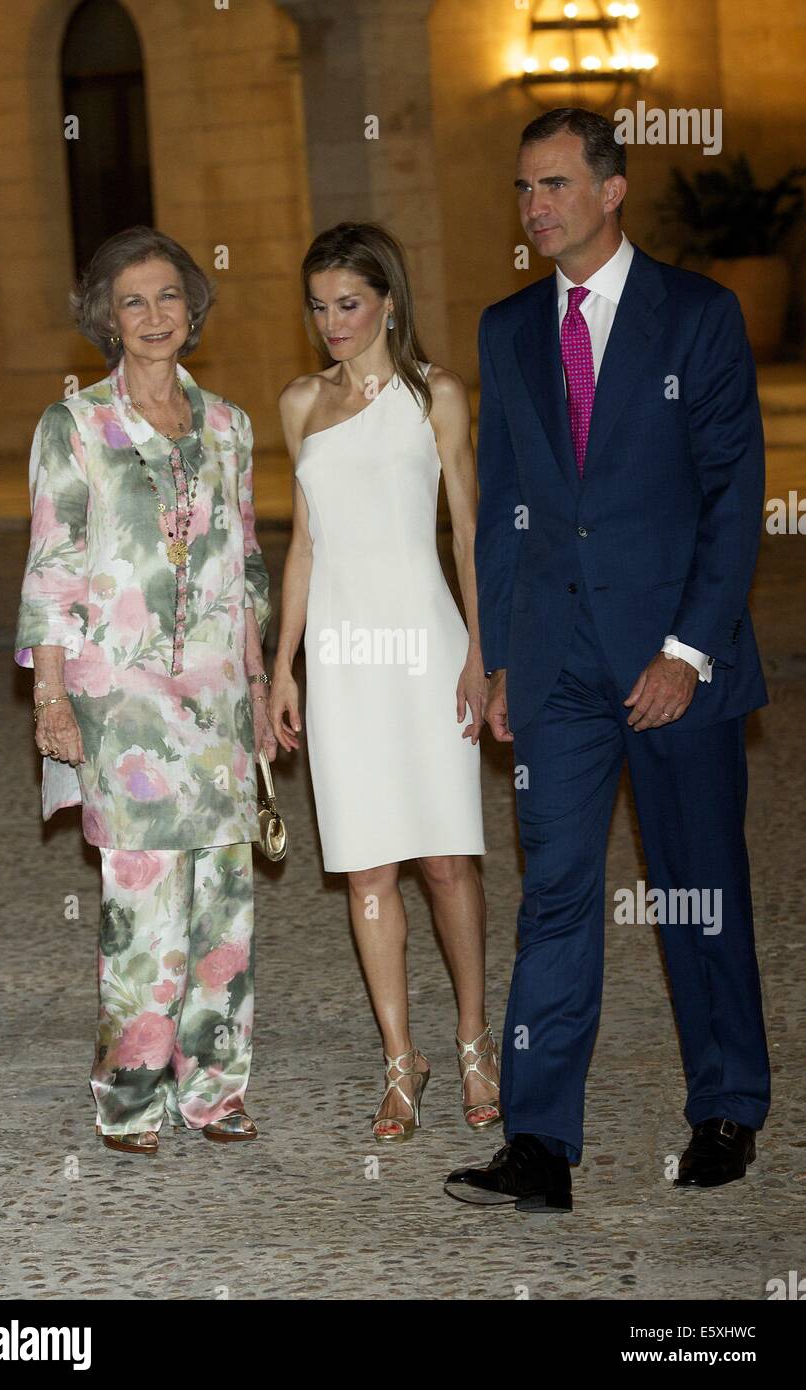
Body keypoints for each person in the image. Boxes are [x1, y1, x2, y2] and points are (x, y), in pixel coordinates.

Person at [445, 108, 770, 1213]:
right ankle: (538, 1144)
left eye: (553, 185)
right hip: (555, 668)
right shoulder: (506, 328)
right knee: (556, 896)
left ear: (611, 189)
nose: (534, 207)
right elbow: (501, 512)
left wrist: (686, 648)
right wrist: (491, 657)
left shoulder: (697, 315)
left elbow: (734, 501)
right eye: (523, 189)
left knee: (693, 892)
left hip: (673, 661)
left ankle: (724, 1105)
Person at [15, 226, 276, 1155]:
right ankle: (130, 1095)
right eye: (134, 301)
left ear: (192, 309)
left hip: (218, 700)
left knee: (225, 904)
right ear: (106, 318)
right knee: (142, 900)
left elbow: (245, 565)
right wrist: (50, 700)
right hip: (119, 699)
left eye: (169, 297)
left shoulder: (230, 426)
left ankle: (215, 1090)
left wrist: (260, 688)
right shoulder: (74, 425)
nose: (155, 316)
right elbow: (52, 567)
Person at [269, 222, 500, 1142]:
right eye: (320, 307)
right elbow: (305, 542)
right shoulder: (297, 403)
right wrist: (281, 664)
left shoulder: (436, 395)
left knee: (445, 858)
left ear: (388, 301)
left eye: (349, 305)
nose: (332, 322)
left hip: (425, 645)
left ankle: (476, 1042)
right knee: (367, 864)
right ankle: (402, 1064)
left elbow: (470, 533)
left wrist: (483, 653)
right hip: (341, 657)